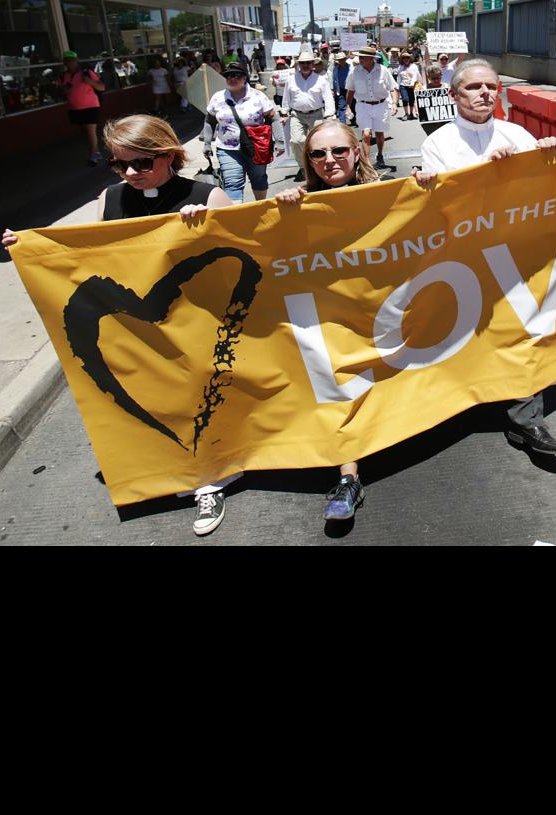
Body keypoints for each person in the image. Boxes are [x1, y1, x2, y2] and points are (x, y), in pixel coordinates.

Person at [0, 115, 239, 536]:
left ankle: (210, 478)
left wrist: (210, 228)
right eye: (119, 163)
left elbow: (251, 251)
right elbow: (88, 257)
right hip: (137, 324)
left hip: (198, 320)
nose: (130, 173)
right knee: (156, 395)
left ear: (171, 156)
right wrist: (30, 247)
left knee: (200, 394)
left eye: (141, 163)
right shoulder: (110, 199)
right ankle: (173, 467)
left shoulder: (208, 194)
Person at [413, 58, 556, 456]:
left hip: (516, 256)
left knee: (525, 331)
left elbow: (546, 194)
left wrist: (549, 157)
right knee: (465, 335)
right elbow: (446, 208)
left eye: (491, 87)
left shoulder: (518, 134)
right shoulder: (438, 144)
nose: (484, 94)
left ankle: (527, 422)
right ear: (454, 95)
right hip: (464, 259)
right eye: (473, 87)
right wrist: (489, 175)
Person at [272, 119, 382, 521]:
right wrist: (284, 215)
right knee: (332, 382)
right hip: (329, 316)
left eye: (339, 151)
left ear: (357, 152)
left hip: (380, 310)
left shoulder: (388, 194)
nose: (329, 160)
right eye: (318, 153)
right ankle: (348, 476)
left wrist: (425, 187)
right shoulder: (297, 201)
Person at [202, 63, 278, 202]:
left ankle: (260, 208)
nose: (232, 78)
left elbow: (273, 117)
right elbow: (209, 121)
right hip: (227, 149)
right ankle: (237, 217)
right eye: (228, 76)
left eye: (236, 75)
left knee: (258, 178)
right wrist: (207, 143)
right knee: (232, 183)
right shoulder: (218, 98)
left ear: (244, 78)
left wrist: (278, 141)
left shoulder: (258, 96)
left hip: (257, 147)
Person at [279, 52, 332, 182]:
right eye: (302, 63)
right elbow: (286, 97)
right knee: (297, 141)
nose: (305, 65)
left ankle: (318, 166)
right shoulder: (291, 79)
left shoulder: (321, 79)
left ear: (313, 64)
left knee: (318, 143)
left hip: (316, 114)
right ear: (298, 65)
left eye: (308, 63)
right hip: (297, 114)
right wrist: (284, 113)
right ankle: (304, 167)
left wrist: (330, 114)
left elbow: (328, 98)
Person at [344, 47, 397, 170]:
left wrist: (394, 103)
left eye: (363, 57)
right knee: (366, 134)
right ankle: (367, 161)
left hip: (381, 105)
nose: (360, 59)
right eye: (359, 56)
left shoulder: (383, 71)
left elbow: (393, 88)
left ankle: (379, 154)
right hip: (363, 106)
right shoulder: (355, 71)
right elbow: (350, 90)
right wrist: (347, 106)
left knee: (379, 134)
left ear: (371, 58)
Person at [57, 51, 107, 164]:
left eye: (72, 61)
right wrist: (64, 90)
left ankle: (93, 155)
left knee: (90, 131)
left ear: (77, 61)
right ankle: (96, 152)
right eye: (68, 61)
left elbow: (102, 87)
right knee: (85, 132)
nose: (70, 63)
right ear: (64, 62)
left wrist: (89, 81)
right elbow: (59, 92)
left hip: (91, 106)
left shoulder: (86, 73)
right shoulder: (63, 76)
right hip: (74, 108)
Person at [395, 52, 420, 120]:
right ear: (402, 59)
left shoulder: (413, 66)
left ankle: (411, 113)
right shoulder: (400, 67)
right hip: (403, 85)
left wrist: (412, 83)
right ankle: (406, 113)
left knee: (412, 100)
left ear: (410, 59)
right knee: (405, 99)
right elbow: (399, 77)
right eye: (404, 58)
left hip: (412, 85)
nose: (406, 59)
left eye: (407, 57)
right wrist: (398, 85)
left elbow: (415, 75)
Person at [331, 51, 351, 124]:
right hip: (341, 90)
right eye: (340, 60)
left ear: (345, 59)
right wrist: (333, 90)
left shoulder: (350, 67)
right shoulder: (336, 68)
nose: (341, 61)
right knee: (341, 106)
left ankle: (353, 119)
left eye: (342, 59)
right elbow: (333, 79)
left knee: (351, 105)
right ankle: (343, 124)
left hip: (350, 90)